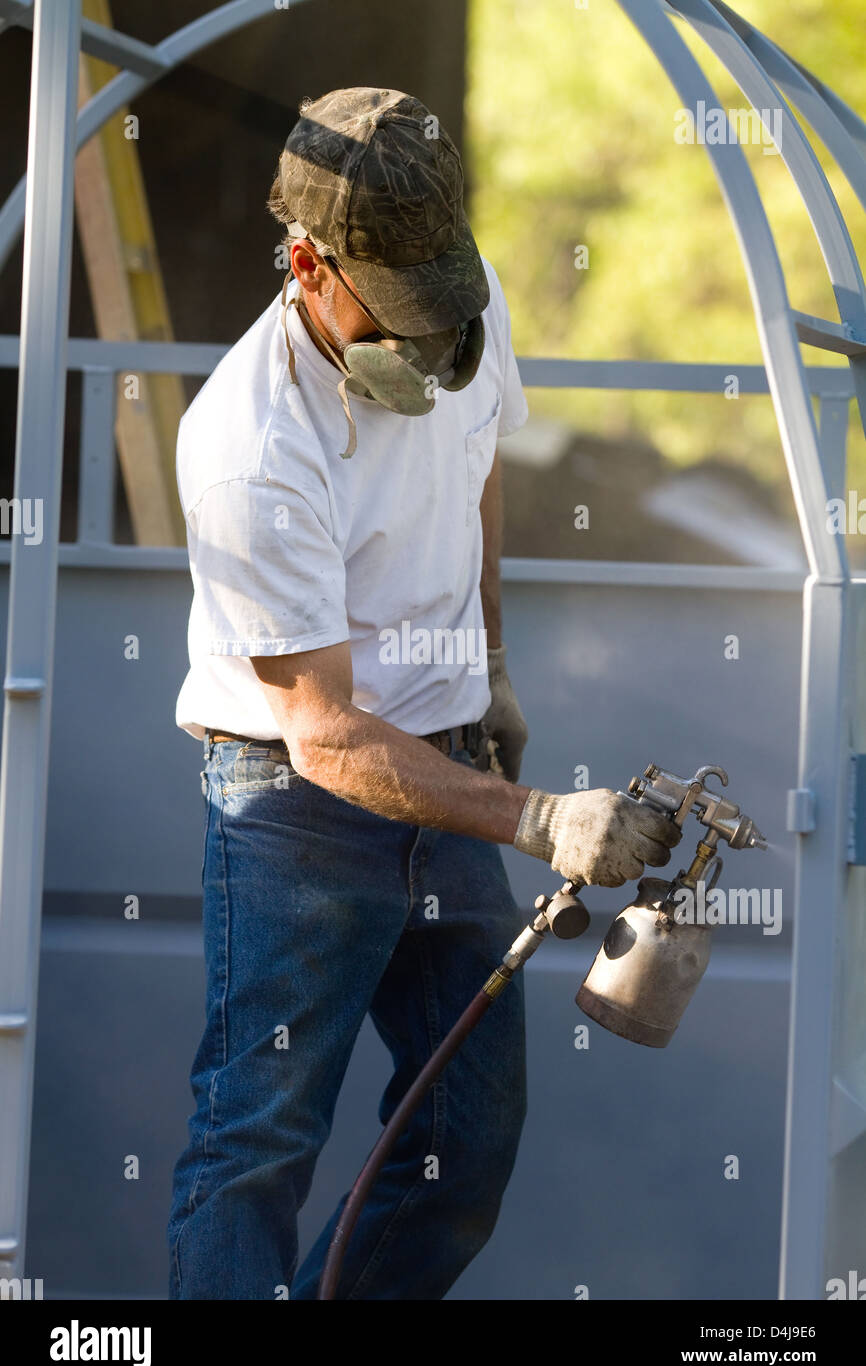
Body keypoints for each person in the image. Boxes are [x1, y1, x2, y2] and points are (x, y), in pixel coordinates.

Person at [166, 86, 678, 1301]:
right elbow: (326, 731)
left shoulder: (456, 297)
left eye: (436, 304)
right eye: (389, 314)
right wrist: (541, 820)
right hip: (296, 804)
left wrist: (484, 665)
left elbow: (479, 463)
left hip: (442, 764)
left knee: (464, 1141)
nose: (427, 344)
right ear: (305, 263)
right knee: (256, 1148)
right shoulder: (248, 445)